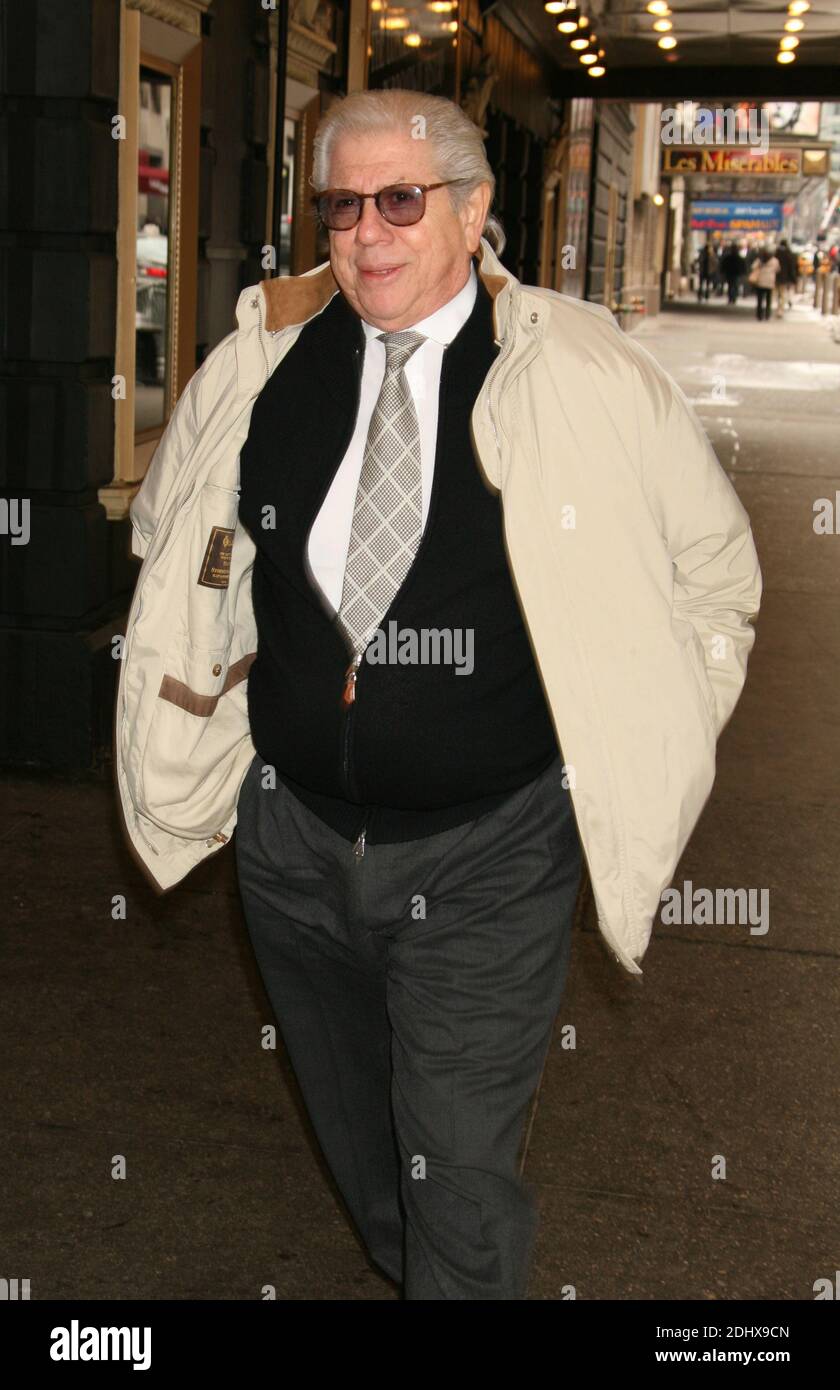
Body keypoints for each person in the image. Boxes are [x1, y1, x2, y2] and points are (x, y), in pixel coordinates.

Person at [114, 88, 762, 1301]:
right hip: (295, 851)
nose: (367, 233)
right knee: (374, 1168)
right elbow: (176, 548)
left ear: (473, 212)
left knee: (456, 1176)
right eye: (342, 204)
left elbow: (717, 583)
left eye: (401, 200)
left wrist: (634, 735)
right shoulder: (264, 360)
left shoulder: (580, 371)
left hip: (488, 858)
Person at [753, 246, 780, 321]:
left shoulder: (759, 260)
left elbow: (753, 267)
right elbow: (778, 269)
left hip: (760, 281)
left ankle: (759, 315)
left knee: (760, 299)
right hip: (770, 282)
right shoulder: (775, 261)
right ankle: (767, 315)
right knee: (768, 300)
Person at [775, 238, 797, 316]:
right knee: (782, 293)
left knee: (778, 293)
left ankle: (778, 307)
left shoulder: (776, 253)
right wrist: (793, 278)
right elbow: (791, 267)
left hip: (776, 276)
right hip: (784, 277)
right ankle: (781, 309)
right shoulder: (788, 254)